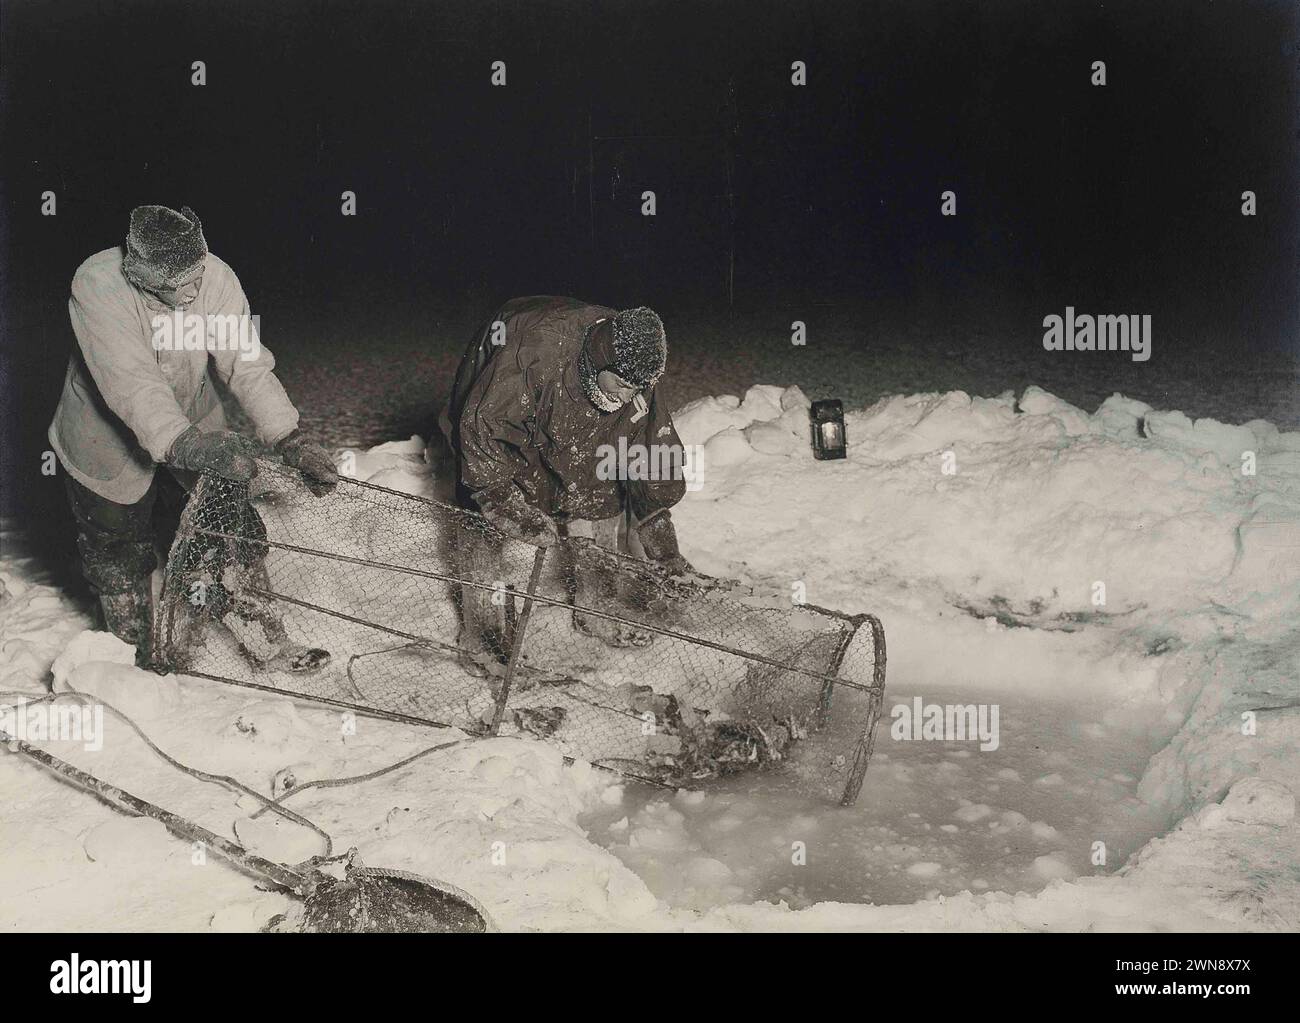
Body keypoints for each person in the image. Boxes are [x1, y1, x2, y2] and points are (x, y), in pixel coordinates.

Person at [48, 204, 338, 668]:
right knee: (119, 551)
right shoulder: (97, 284)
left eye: (196, 275)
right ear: (139, 274)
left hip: (195, 415)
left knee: (234, 527)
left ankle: (266, 640)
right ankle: (138, 657)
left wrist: (289, 436)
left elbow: (245, 363)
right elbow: (132, 382)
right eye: (175, 284)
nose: (192, 291)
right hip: (105, 435)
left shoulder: (216, 278)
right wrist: (182, 444)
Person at [440, 296, 695, 671]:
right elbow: (483, 428)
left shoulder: (637, 376)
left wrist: (663, 543)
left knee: (602, 484)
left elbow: (653, 449)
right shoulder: (535, 352)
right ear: (600, 360)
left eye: (637, 388)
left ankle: (597, 606)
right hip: (504, 404)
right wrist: (499, 499)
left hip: (574, 408)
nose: (627, 397)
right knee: (482, 517)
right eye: (622, 384)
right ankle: (484, 636)